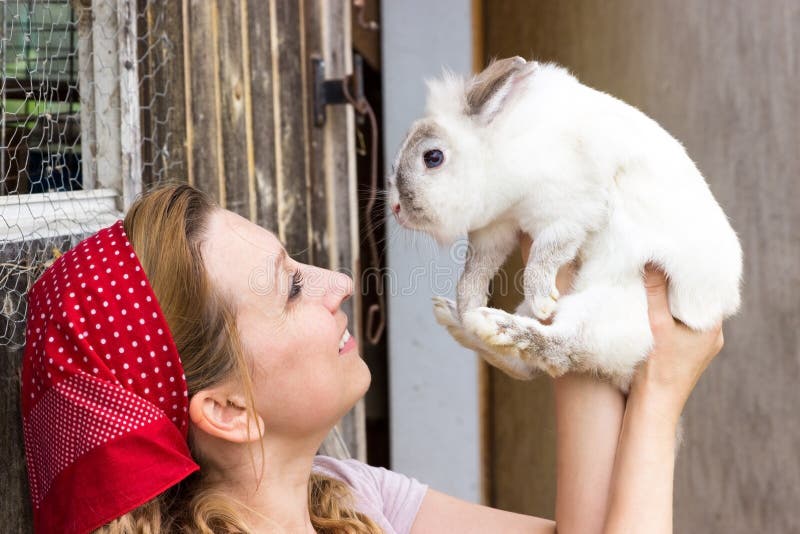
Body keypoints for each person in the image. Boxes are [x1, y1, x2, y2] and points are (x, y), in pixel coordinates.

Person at [20, 182, 724, 533]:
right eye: (291, 286)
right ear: (229, 410)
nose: (339, 284)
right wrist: (658, 397)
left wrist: (565, 308)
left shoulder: (340, 494)